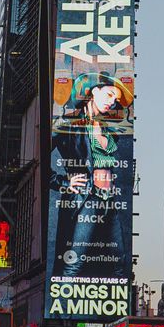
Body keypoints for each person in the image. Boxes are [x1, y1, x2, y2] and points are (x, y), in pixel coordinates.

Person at [47, 72, 134, 280]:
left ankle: (114, 303)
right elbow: (38, 157)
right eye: (109, 94)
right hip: (86, 199)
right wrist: (63, 182)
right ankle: (63, 301)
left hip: (109, 200)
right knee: (73, 263)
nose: (112, 102)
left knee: (119, 264)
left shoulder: (108, 128)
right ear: (94, 91)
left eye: (115, 99)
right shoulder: (68, 123)